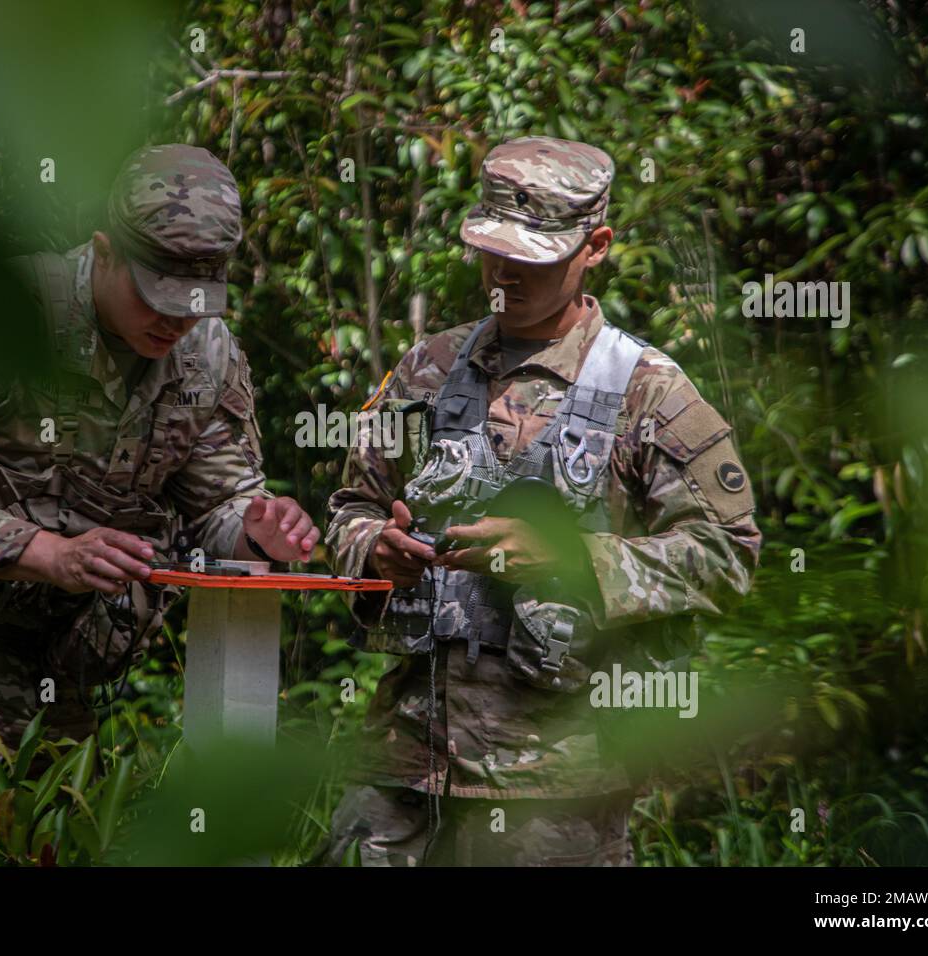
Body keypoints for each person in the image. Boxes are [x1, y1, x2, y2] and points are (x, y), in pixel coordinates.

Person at [0, 143, 319, 865]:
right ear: (104, 252)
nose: (176, 322)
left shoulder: (208, 358)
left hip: (60, 684)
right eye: (157, 296)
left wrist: (259, 534)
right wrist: (42, 552)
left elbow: (219, 510)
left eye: (196, 303)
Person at [319, 136, 761, 866]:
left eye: (534, 255)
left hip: (555, 783)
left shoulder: (648, 392)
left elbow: (728, 557)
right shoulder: (429, 369)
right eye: (493, 249)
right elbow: (350, 509)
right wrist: (375, 549)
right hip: (404, 758)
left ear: (597, 246)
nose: (505, 271)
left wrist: (572, 560)